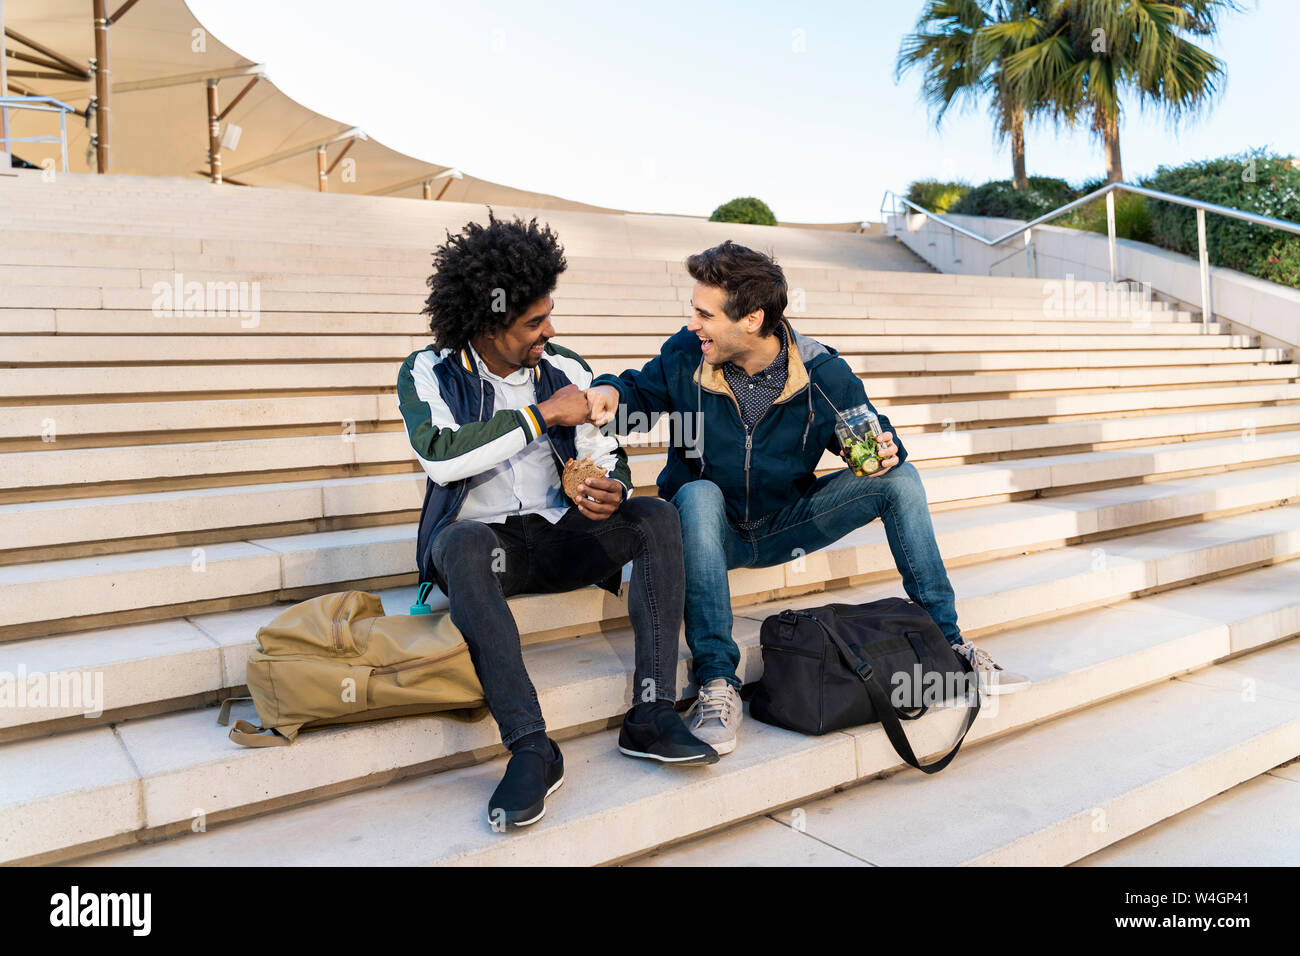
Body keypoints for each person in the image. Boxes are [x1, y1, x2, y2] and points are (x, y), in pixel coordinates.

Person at [587, 240, 1030, 757]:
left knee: (901, 479)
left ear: (752, 319)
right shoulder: (687, 355)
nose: (694, 323)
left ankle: (949, 647)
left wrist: (882, 448)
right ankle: (717, 680)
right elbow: (634, 394)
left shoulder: (821, 371)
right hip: (708, 530)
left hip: (783, 523)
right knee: (699, 492)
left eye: (704, 314)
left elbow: (877, 437)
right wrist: (611, 391)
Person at [397, 212, 717, 830]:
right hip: (489, 549)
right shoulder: (427, 371)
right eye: (534, 322)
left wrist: (611, 490)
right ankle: (531, 746)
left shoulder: (566, 365)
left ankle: (651, 713)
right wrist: (541, 415)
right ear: (488, 323)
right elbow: (442, 457)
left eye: (549, 314)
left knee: (653, 515)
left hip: (560, 535)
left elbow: (609, 454)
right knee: (460, 542)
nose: (550, 330)